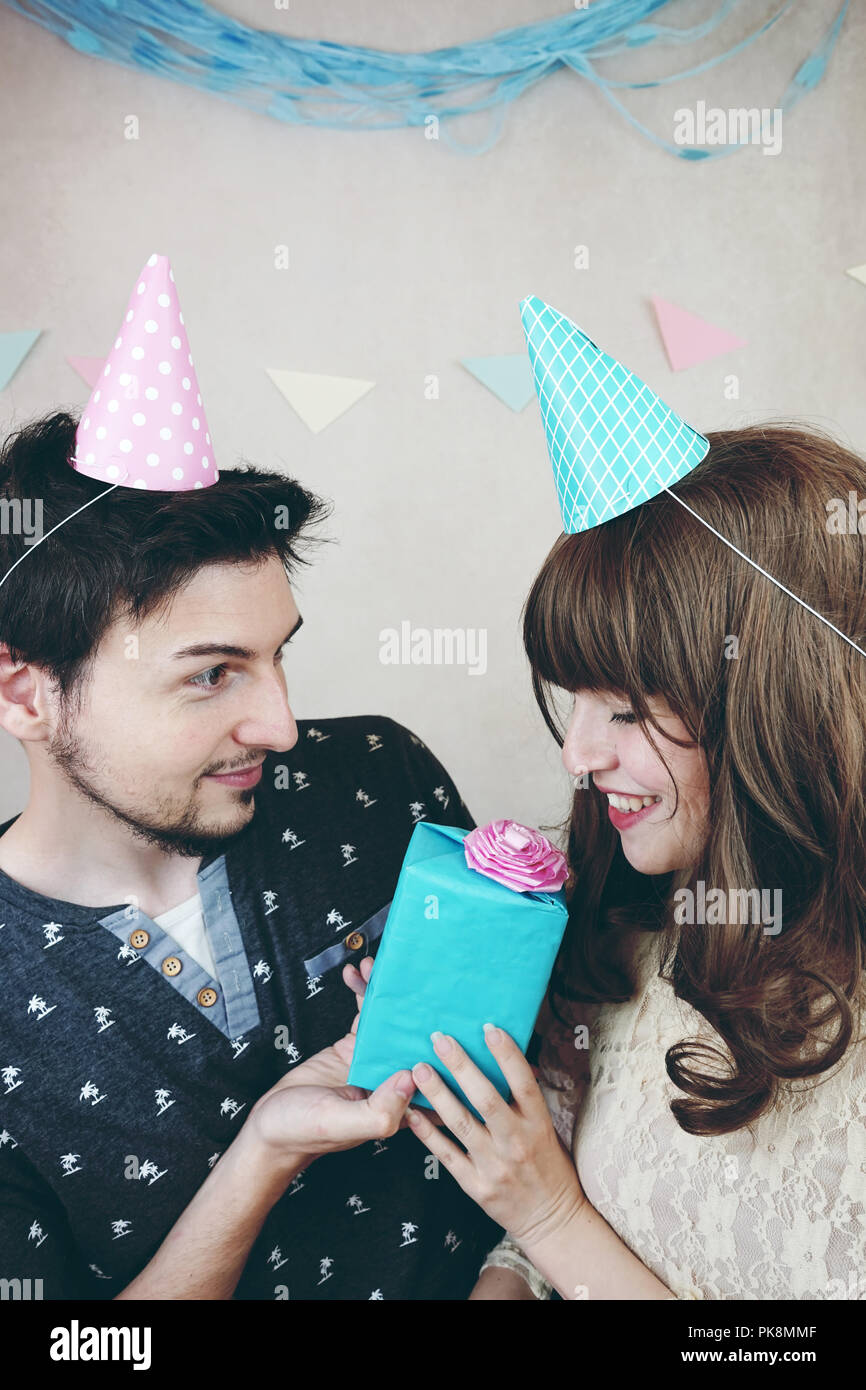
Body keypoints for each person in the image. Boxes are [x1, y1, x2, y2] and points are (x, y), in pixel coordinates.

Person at [0, 410, 504, 1300]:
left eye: (277, 656)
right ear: (28, 694)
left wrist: (518, 1276)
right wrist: (263, 1152)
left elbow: (548, 1055)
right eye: (210, 674)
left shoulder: (378, 779)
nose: (279, 725)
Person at [386, 424, 866, 1301]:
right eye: (576, 697)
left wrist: (551, 1217)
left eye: (626, 706)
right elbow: (525, 1253)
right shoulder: (634, 925)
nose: (575, 753)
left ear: (776, 702)